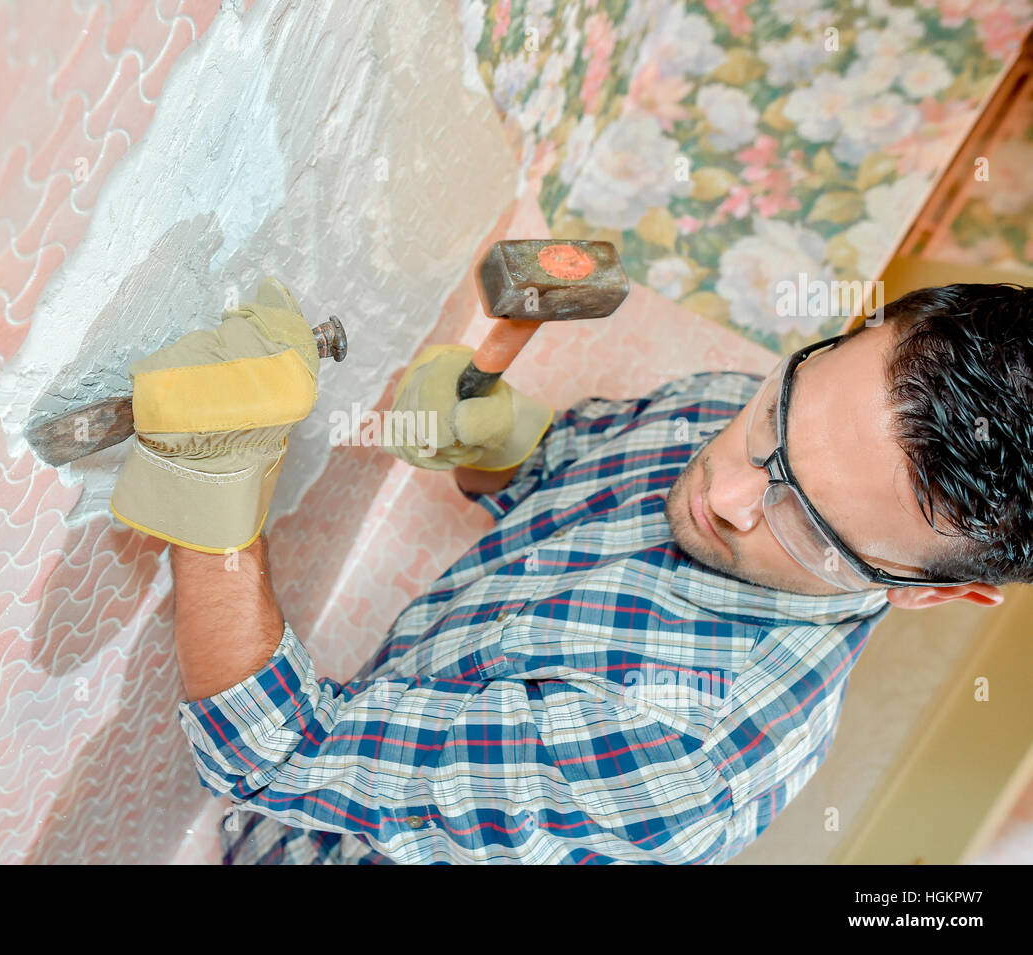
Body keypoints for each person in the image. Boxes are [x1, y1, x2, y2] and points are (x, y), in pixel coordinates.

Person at [111, 279, 1029, 863]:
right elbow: (563, 471)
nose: (732, 489)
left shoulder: (684, 759)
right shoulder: (737, 405)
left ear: (938, 591)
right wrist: (492, 435)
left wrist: (215, 487)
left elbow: (273, 753)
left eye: (808, 521)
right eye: (776, 413)